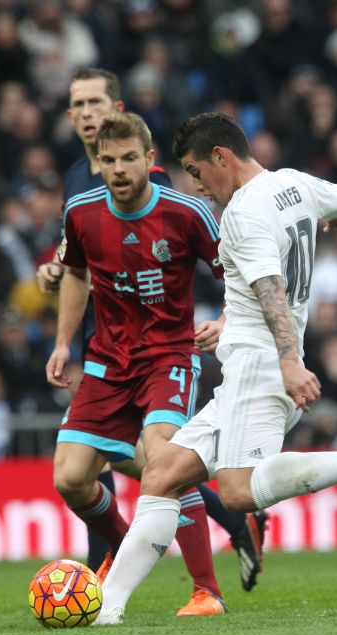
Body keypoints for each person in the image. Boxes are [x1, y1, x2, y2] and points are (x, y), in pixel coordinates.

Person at [95, 113, 337, 625]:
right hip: (250, 360)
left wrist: (289, 363)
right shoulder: (295, 184)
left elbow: (272, 294)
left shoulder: (243, 214)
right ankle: (106, 608)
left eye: (198, 172)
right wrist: (335, 217)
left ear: (221, 157)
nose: (197, 185)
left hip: (259, 368)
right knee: (161, 474)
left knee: (238, 492)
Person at [36, 67, 266, 592]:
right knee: (71, 478)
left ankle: (206, 590)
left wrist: (228, 318)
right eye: (110, 161)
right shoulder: (79, 200)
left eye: (128, 159)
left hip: (167, 356)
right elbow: (75, 270)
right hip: (107, 359)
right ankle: (127, 546)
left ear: (149, 162)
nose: (117, 169)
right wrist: (62, 343)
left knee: (161, 461)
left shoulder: (183, 210)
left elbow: (234, 268)